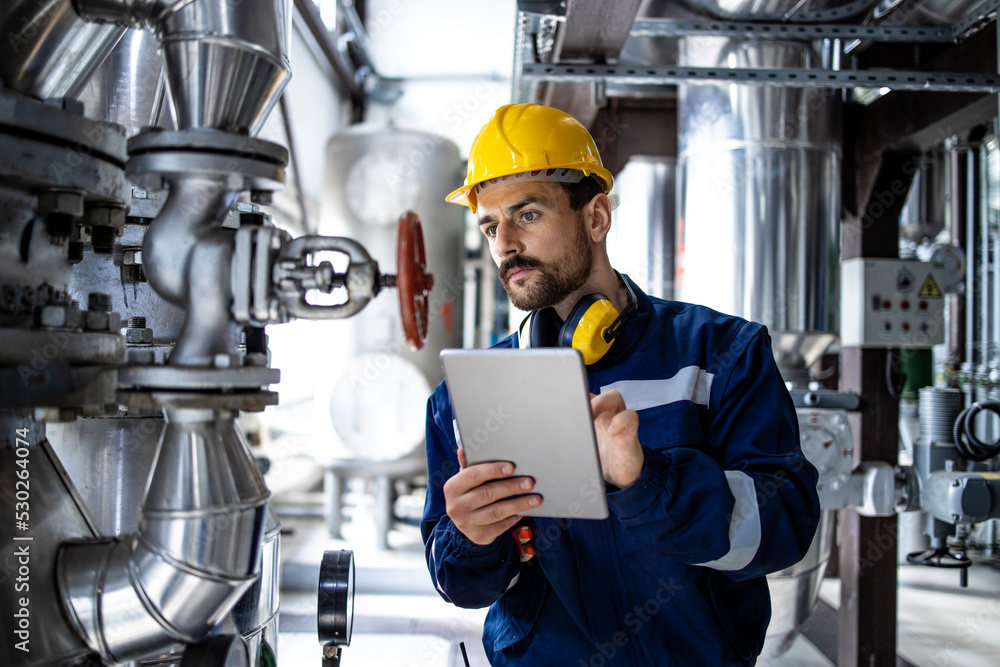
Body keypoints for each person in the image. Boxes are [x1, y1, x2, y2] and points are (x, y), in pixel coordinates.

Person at [421, 103, 820, 666]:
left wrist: (647, 479)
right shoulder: (464, 399)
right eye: (490, 225)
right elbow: (460, 585)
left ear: (596, 218)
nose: (504, 243)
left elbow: (786, 527)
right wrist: (470, 538)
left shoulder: (721, 353)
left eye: (527, 214)